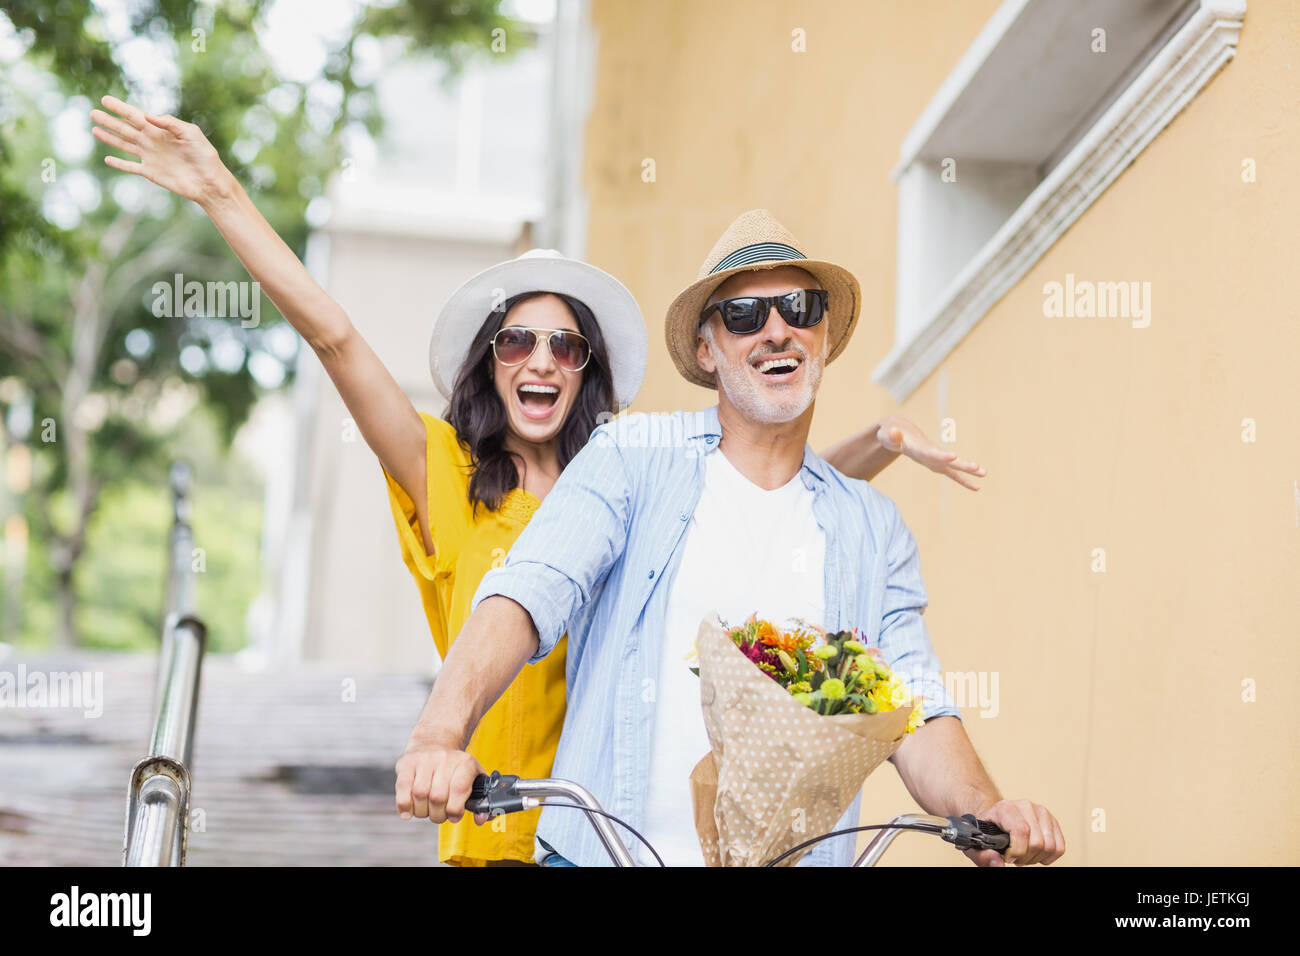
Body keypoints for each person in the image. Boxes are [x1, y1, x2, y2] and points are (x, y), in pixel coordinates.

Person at [90, 98, 987, 864]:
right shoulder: (454, 470)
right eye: (517, 340)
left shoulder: (634, 477)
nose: (542, 359)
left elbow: (770, 501)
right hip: (493, 822)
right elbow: (336, 340)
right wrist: (221, 192)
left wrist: (875, 445)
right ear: (489, 362)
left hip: (605, 819)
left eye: (566, 344)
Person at [395, 209, 1065, 868]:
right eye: (745, 315)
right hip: (607, 856)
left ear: (824, 335)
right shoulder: (632, 455)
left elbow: (910, 706)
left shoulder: (872, 527)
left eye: (799, 308)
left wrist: (984, 810)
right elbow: (529, 591)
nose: (777, 331)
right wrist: (437, 735)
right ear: (706, 349)